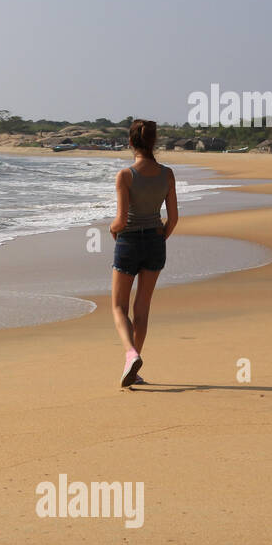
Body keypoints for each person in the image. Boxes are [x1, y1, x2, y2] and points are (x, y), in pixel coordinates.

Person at [109, 119, 178, 387]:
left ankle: (131, 354)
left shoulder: (125, 175)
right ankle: (133, 368)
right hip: (155, 242)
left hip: (128, 243)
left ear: (130, 142)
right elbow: (173, 219)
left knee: (117, 306)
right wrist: (159, 237)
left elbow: (121, 220)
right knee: (142, 309)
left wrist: (111, 230)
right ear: (154, 142)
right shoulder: (167, 174)